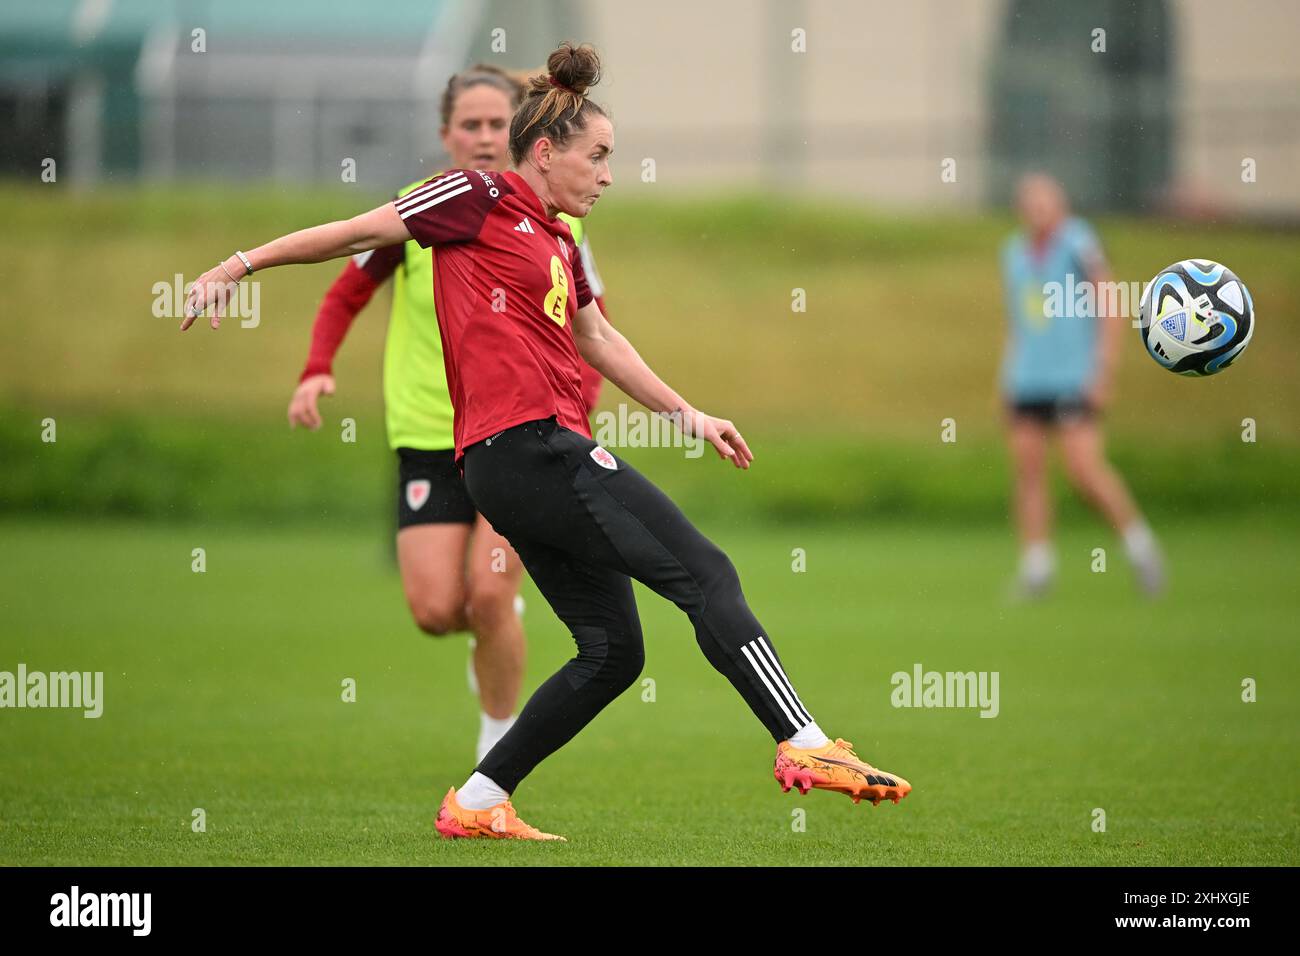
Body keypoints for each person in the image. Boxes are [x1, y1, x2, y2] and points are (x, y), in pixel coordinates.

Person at [182, 41, 911, 841]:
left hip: (520, 463)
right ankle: (803, 741)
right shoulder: (475, 193)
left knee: (612, 651)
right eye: (597, 157)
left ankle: (479, 798)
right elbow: (357, 231)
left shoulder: (559, 240)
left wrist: (690, 415)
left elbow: (600, 339)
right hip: (529, 450)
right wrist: (237, 264)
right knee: (707, 571)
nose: (606, 175)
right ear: (545, 151)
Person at [286, 63, 608, 764]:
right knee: (437, 611)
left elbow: (593, 332)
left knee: (490, 595)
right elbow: (345, 291)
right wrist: (316, 369)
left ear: (520, 130)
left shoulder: (554, 219)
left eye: (499, 123)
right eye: (472, 125)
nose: (487, 137)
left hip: (517, 437)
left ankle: (495, 757)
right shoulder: (419, 209)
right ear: (447, 134)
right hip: (431, 437)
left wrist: (576, 416)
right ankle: (493, 636)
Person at [1000, 173, 1165, 597]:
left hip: (1072, 376)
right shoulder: (1014, 252)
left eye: (1044, 203)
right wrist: (1007, 375)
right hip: (1028, 378)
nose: (1036, 211)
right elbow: (1018, 321)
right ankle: (1037, 566)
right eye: (1029, 203)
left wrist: (1102, 370)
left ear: (1061, 205)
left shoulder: (1078, 242)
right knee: (1028, 469)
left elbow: (1109, 303)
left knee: (1084, 471)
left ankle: (1140, 546)